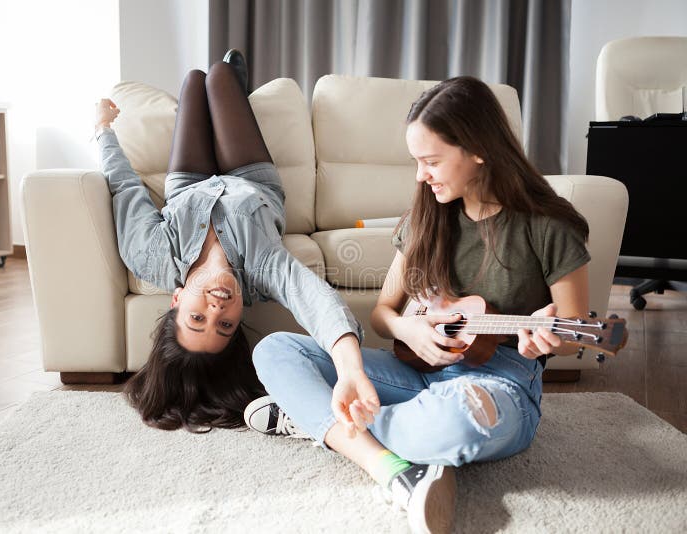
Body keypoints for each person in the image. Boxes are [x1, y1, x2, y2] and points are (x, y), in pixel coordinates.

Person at [245, 76, 590, 534]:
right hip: (414, 377)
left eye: (431, 161)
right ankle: (390, 466)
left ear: (478, 150)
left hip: (500, 386)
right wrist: (409, 330)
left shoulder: (549, 227)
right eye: (416, 161)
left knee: (452, 423)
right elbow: (384, 314)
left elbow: (574, 335)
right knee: (275, 350)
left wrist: (548, 337)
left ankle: (317, 421)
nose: (420, 175)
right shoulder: (427, 217)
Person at [93, 52, 364, 433]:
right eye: (224, 326)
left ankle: (225, 85)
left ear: (176, 300)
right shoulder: (263, 267)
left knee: (192, 79)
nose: (218, 307)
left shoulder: (150, 257)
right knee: (218, 75)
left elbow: (123, 187)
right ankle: (234, 80)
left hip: (186, 183)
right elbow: (314, 298)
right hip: (253, 179)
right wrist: (349, 366)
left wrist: (103, 128)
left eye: (198, 317)